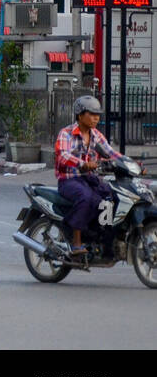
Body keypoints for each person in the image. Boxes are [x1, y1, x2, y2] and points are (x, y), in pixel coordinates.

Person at [54, 94, 123, 256]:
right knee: (85, 197)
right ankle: (76, 241)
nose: (96, 118)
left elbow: (111, 153)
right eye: (91, 114)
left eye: (97, 115)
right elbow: (62, 155)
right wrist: (82, 164)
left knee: (111, 196)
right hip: (69, 180)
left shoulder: (96, 136)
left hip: (89, 179)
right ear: (80, 115)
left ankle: (98, 235)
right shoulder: (66, 133)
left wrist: (132, 164)